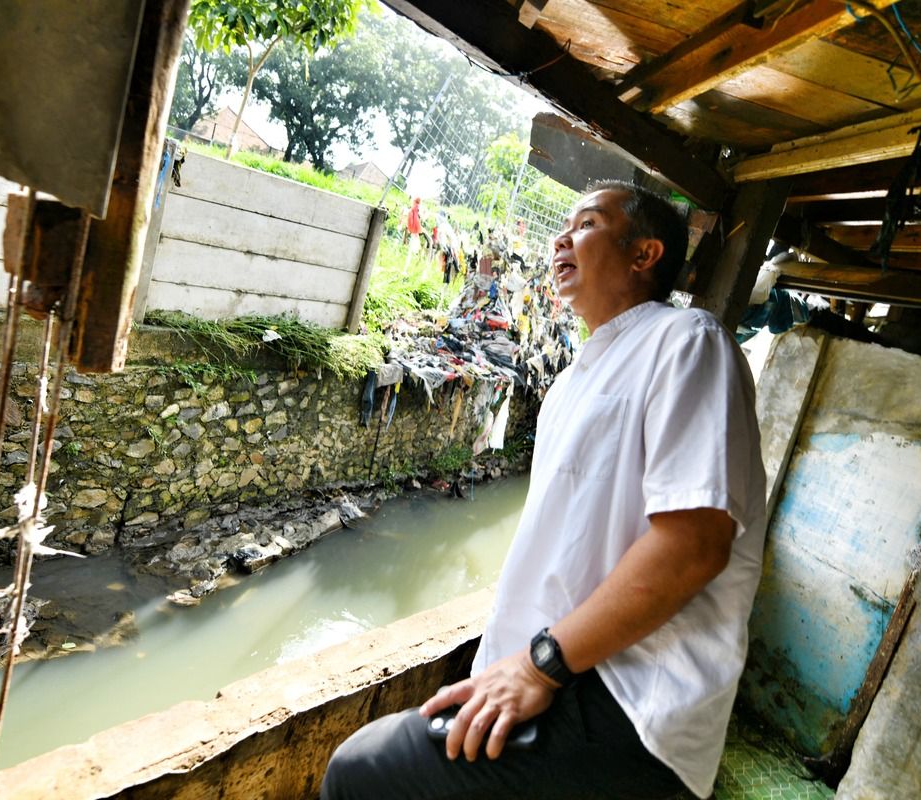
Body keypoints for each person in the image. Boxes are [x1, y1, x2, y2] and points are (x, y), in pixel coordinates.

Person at [321, 181, 766, 800]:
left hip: (627, 694)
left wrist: (541, 665)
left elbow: (694, 544)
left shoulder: (687, 342)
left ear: (644, 255)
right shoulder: (570, 382)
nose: (561, 238)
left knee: (363, 769)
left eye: (587, 224)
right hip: (556, 669)